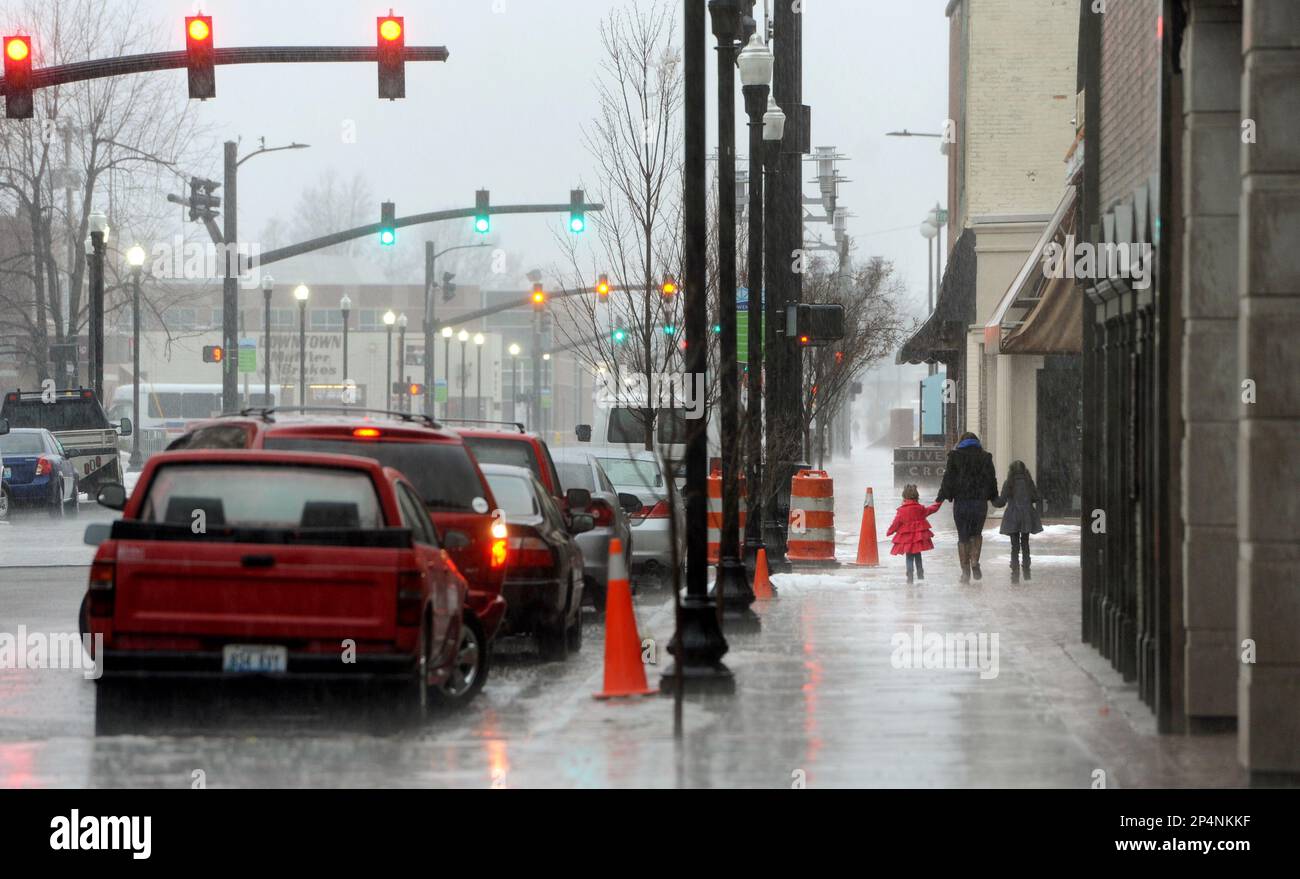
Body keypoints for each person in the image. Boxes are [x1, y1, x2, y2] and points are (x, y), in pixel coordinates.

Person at [935, 431, 998, 583]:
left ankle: (965, 572)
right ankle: (975, 560)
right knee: (976, 533)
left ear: (961, 442)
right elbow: (991, 479)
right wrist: (994, 496)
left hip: (962, 503)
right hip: (979, 503)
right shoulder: (985, 457)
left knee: (963, 536)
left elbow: (948, 479)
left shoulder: (955, 457)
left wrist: (941, 497)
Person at [994, 460, 1043, 583]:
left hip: (1013, 515)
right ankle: (1026, 570)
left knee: (1014, 546)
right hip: (1026, 515)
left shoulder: (1009, 483)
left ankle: (1014, 573)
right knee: (1025, 543)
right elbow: (1036, 497)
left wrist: (992, 498)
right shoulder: (1028, 482)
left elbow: (1001, 502)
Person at [886, 484, 942, 584]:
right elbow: (931, 509)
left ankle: (910, 575)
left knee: (909, 556)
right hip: (918, 539)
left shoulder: (902, 511)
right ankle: (920, 575)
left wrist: (889, 532)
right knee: (918, 555)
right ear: (917, 496)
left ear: (904, 497)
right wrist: (939, 502)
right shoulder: (920, 508)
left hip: (907, 539)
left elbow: (896, 523)